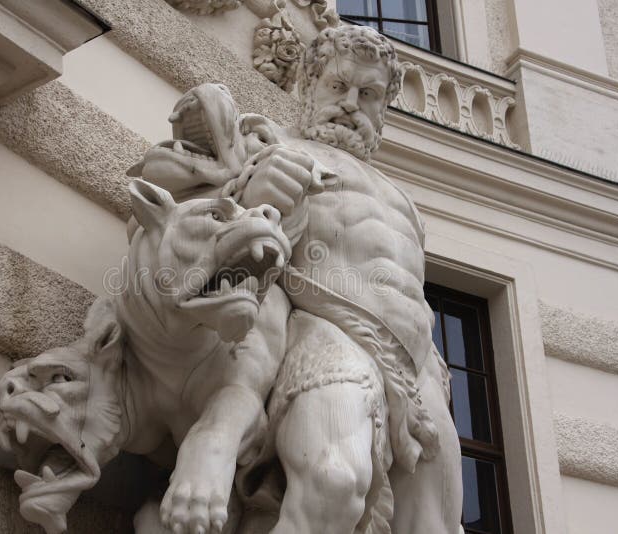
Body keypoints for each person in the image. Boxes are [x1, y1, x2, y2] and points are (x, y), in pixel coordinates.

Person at [133, 25, 463, 534]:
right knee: (335, 479)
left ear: (382, 110)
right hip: (325, 325)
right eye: (338, 86)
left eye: (368, 94)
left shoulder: (403, 201)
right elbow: (178, 222)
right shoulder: (272, 142)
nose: (351, 103)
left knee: (433, 526)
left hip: (416, 371)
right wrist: (252, 190)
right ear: (309, 85)